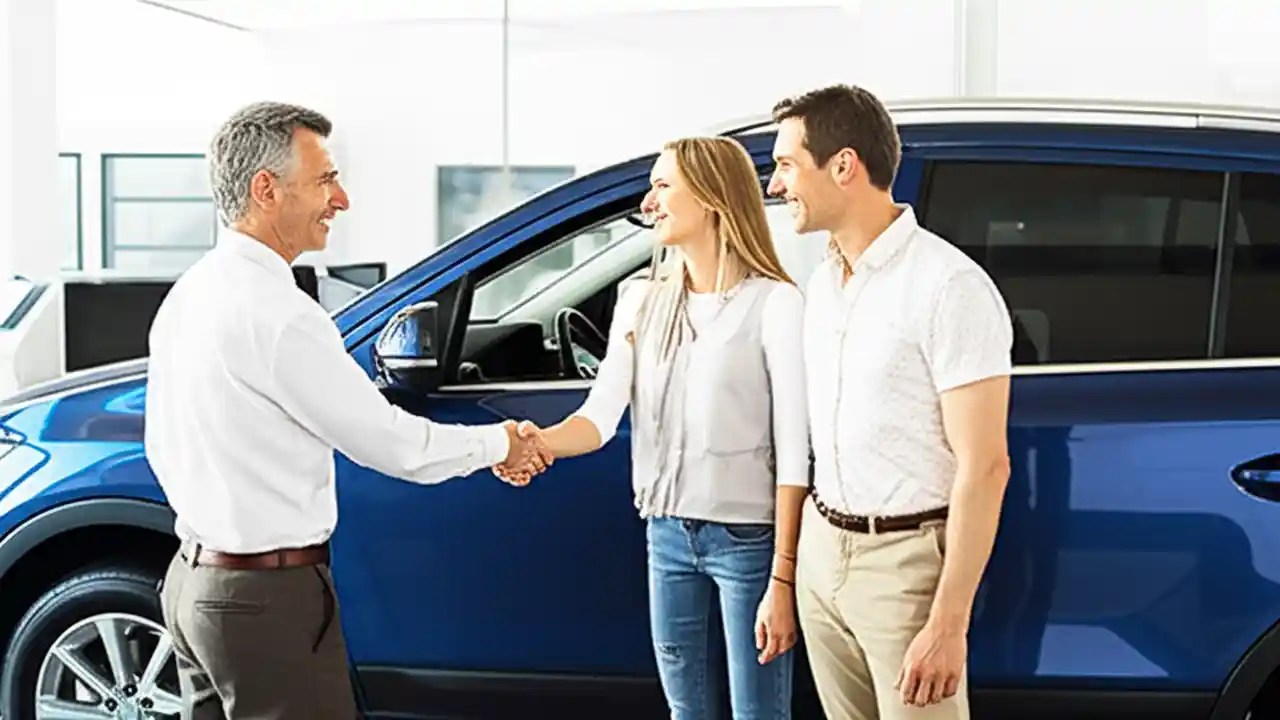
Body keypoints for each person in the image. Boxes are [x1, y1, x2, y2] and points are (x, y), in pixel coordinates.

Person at [145, 101, 548, 719]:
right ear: (266, 189)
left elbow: (160, 447)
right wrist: (500, 444)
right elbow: (391, 444)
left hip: (194, 585)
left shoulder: (189, 293)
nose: (342, 199)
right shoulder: (280, 314)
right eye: (325, 179)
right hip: (265, 599)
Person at [495, 136, 809, 719]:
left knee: (759, 714)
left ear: (713, 197)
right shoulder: (639, 301)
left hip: (749, 543)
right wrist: (532, 441)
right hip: (666, 536)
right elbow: (596, 418)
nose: (650, 200)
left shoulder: (777, 304)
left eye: (663, 185)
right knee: (685, 712)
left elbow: (795, 457)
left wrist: (783, 582)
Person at [765, 84, 1013, 720]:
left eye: (787, 164)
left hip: (904, 569)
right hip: (826, 554)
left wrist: (948, 623)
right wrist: (794, 576)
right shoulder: (823, 283)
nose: (775, 185)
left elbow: (986, 466)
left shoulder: (948, 286)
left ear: (843, 165)